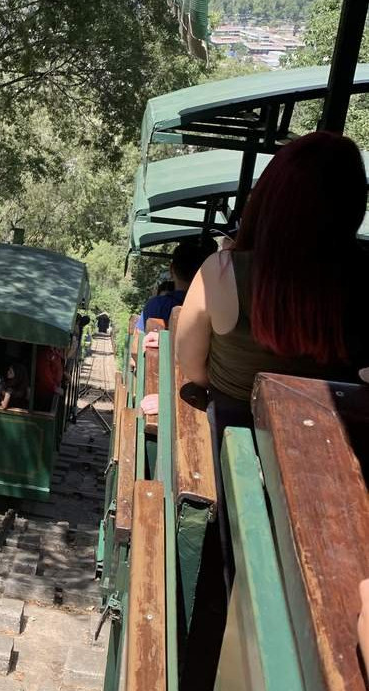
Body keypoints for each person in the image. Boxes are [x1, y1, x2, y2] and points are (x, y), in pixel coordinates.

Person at [176, 131, 369, 609]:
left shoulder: (222, 272)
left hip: (239, 448)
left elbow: (194, 368)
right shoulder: (365, 277)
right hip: (333, 462)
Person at [177, 131, 369, 421]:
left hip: (236, 441)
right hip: (331, 443)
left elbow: (193, 368)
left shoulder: (221, 271)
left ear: (269, 198)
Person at [136, 240, 217, 334]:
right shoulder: (213, 308)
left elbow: (139, 337)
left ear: (171, 270)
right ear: (204, 272)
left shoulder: (156, 306)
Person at [34, 346, 64, 412]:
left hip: (51, 390)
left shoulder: (55, 352)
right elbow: (44, 373)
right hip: (45, 392)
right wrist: (54, 388)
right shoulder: (45, 354)